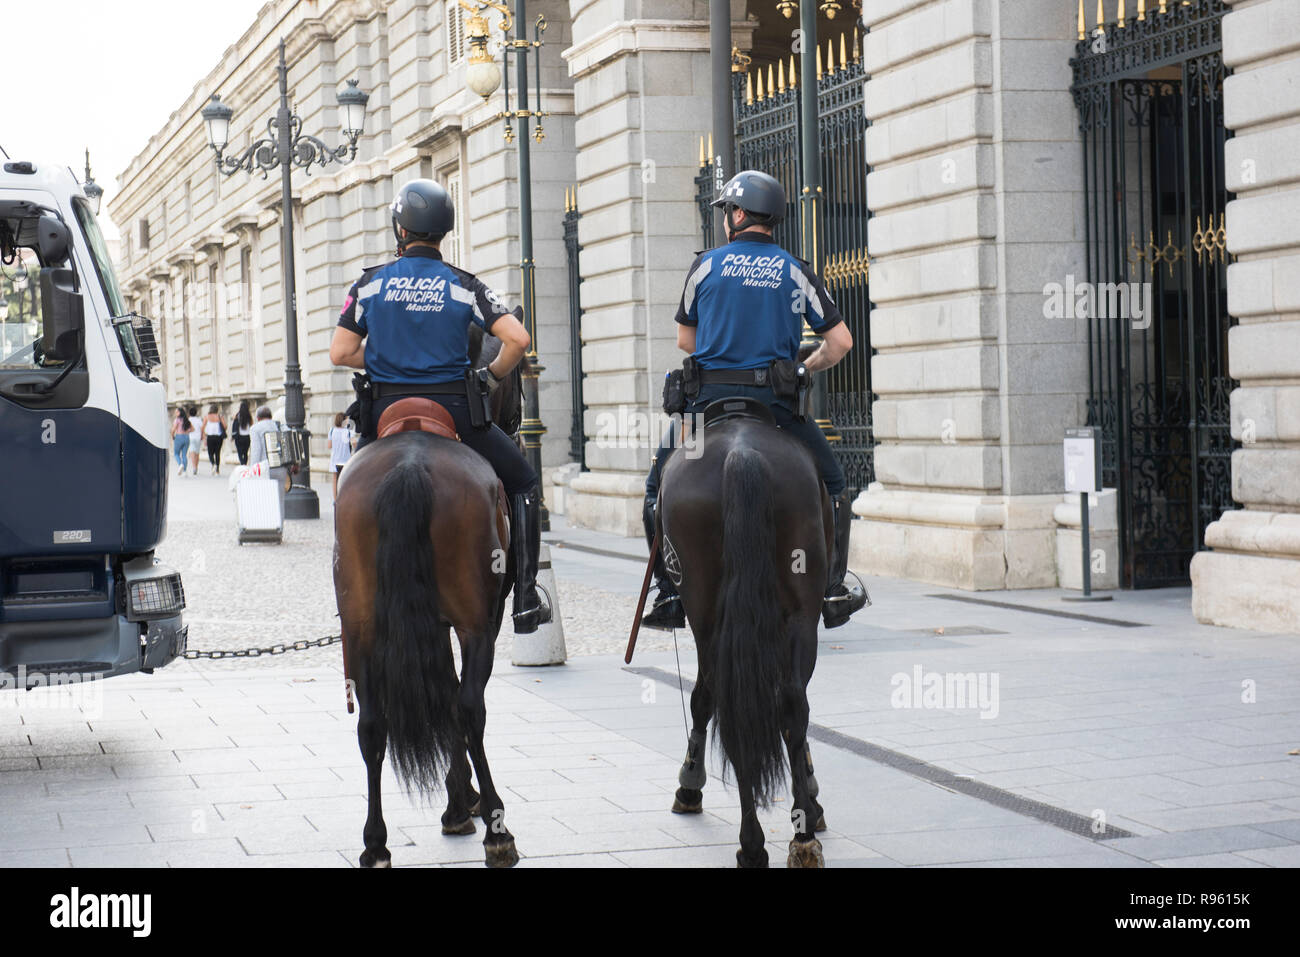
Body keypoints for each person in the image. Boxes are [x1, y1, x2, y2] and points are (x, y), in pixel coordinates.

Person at [640, 169, 867, 631]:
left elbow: (686, 341)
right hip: (776, 409)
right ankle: (832, 589)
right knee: (835, 483)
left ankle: (670, 592)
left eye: (727, 211)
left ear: (740, 215)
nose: (726, 219)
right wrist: (805, 366)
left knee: (655, 489)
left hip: (707, 408)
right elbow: (841, 342)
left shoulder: (705, 266)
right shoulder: (796, 269)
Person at [328, 178, 551, 635]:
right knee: (525, 483)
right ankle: (526, 595)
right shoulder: (465, 285)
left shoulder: (368, 285)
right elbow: (518, 340)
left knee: (352, 488)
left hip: (385, 411)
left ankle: (352, 583)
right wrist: (489, 377)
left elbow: (340, 352)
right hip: (455, 412)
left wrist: (391, 357)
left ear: (401, 229)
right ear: (442, 232)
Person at [327, 411, 355, 502]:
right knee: (345, 478)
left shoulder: (331, 431)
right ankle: (345, 498)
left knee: (335, 479)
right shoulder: (348, 431)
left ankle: (336, 500)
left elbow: (329, 446)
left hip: (335, 459)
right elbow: (354, 442)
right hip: (345, 459)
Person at [203, 403, 227, 475]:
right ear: (217, 410)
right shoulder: (219, 416)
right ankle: (217, 469)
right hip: (218, 437)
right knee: (217, 453)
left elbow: (203, 428)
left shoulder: (206, 417)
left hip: (210, 437)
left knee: (210, 453)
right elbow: (225, 426)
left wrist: (204, 437)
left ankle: (213, 464)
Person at [232, 400, 254, 465]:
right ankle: (244, 463)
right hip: (247, 436)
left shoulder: (237, 415)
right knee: (245, 453)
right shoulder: (249, 416)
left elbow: (234, 426)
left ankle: (242, 464)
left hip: (239, 437)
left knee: (239, 452)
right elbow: (252, 424)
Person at [170, 407, 190, 476]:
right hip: (186, 437)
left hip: (179, 436)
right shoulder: (187, 420)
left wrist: (172, 436)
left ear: (180, 412)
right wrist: (187, 431)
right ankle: (185, 471)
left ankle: (180, 464)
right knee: (184, 454)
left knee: (176, 453)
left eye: (176, 412)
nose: (175, 413)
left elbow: (173, 429)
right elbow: (193, 429)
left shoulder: (177, 420)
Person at [186, 405, 203, 477]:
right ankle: (196, 466)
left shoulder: (188, 420)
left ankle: (194, 467)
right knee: (197, 453)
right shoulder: (199, 420)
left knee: (192, 452)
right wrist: (202, 436)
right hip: (198, 438)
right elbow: (202, 428)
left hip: (191, 437)